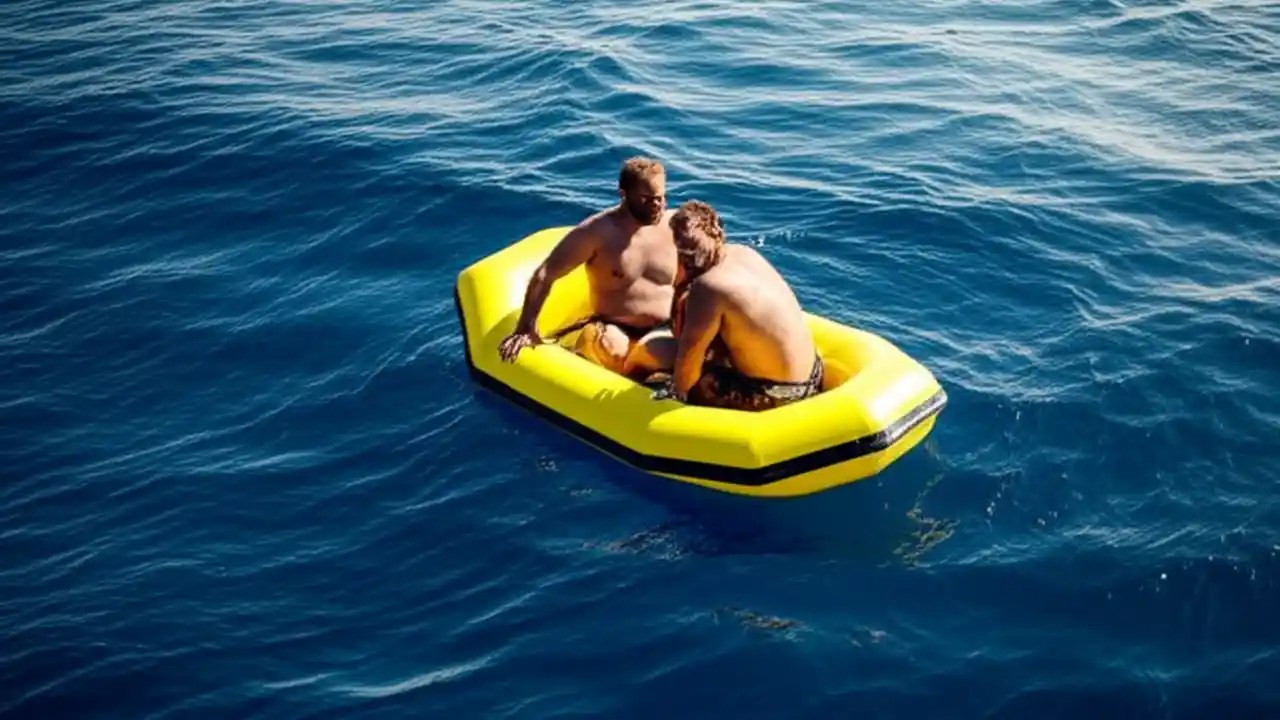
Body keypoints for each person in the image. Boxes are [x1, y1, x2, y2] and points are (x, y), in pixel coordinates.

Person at [497, 157, 679, 377]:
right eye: (646, 199)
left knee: (673, 354)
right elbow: (545, 274)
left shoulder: (674, 225)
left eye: (660, 197)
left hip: (666, 325)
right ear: (624, 194)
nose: (656, 205)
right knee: (613, 352)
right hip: (616, 326)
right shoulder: (596, 233)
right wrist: (525, 328)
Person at [665, 200, 824, 411]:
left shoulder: (707, 288)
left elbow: (684, 379)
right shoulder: (742, 252)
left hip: (779, 396)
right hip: (815, 376)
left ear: (682, 257)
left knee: (697, 382)